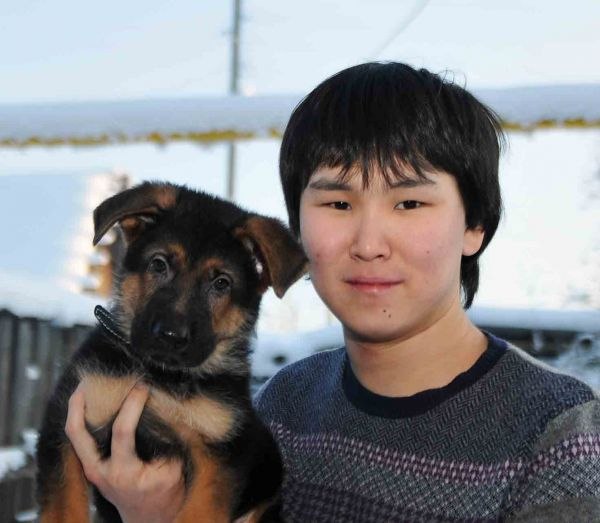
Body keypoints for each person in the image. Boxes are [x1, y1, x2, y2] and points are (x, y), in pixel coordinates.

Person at [66, 62, 600, 522]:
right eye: (338, 204)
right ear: (294, 231)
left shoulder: (559, 438)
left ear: (474, 225)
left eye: (410, 203)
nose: (368, 244)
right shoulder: (283, 406)